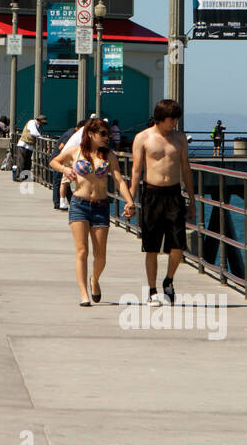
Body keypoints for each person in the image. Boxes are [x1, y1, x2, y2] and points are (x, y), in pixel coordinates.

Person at [52, 117, 134, 305]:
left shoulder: (109, 156)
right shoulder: (75, 151)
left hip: (101, 206)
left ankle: (94, 279)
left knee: (101, 256)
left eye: (108, 134)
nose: (107, 137)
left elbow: (119, 180)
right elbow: (54, 161)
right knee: (82, 251)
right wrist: (65, 170)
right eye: (103, 134)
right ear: (91, 134)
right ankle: (83, 294)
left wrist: (130, 201)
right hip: (79, 204)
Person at [129, 99, 195, 306]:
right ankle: (152, 291)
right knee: (151, 246)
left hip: (174, 194)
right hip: (152, 194)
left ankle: (169, 280)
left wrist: (192, 200)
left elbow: (186, 169)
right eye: (171, 119)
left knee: (177, 245)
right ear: (160, 118)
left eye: (176, 119)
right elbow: (136, 170)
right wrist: (130, 200)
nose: (174, 123)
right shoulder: (143, 138)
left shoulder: (180, 138)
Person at [53, 118, 84, 210]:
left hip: (63, 158)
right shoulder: (72, 134)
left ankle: (63, 202)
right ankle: (59, 203)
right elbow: (61, 146)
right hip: (65, 158)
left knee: (63, 182)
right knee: (63, 182)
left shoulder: (72, 132)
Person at [14, 114, 46, 180]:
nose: (42, 124)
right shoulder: (31, 122)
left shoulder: (38, 126)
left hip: (30, 146)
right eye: (42, 123)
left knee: (28, 162)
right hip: (23, 144)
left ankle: (26, 176)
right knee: (21, 161)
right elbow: (33, 132)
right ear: (39, 121)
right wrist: (40, 136)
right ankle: (19, 176)